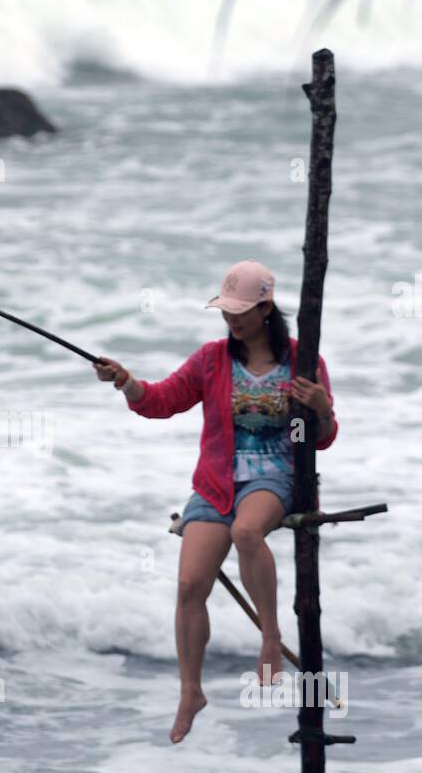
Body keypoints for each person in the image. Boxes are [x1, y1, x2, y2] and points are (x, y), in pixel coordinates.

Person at [94, 260, 339, 745]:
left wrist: (320, 408)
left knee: (247, 532)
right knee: (188, 584)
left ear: (266, 307)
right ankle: (191, 690)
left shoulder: (301, 360)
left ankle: (270, 638)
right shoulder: (211, 360)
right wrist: (126, 380)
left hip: (277, 474)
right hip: (217, 482)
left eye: (241, 311)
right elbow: (160, 401)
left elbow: (325, 438)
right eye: (226, 311)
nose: (232, 319)